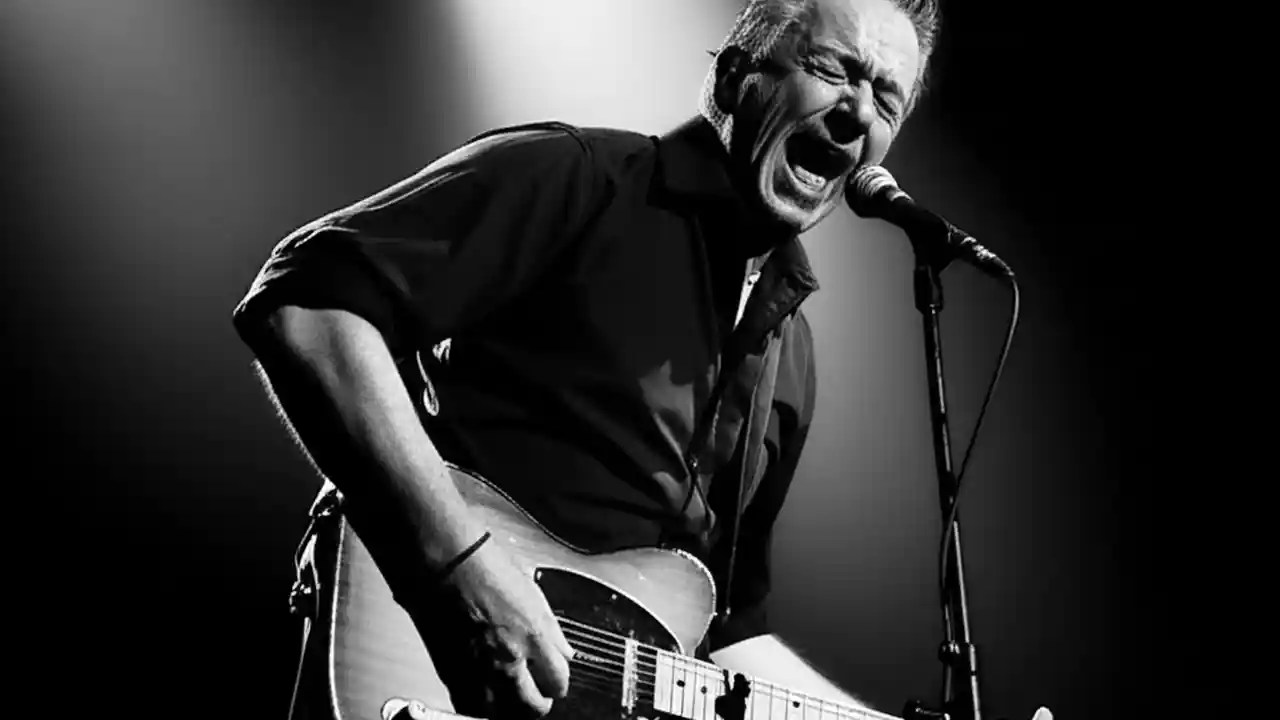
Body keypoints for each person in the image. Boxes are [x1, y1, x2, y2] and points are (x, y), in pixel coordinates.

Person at [234, 1, 1049, 718]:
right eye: (837, 68)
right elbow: (305, 307)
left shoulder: (790, 356)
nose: (856, 113)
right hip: (427, 671)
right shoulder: (579, 178)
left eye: (887, 98)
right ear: (736, 77)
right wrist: (456, 572)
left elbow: (720, 632)